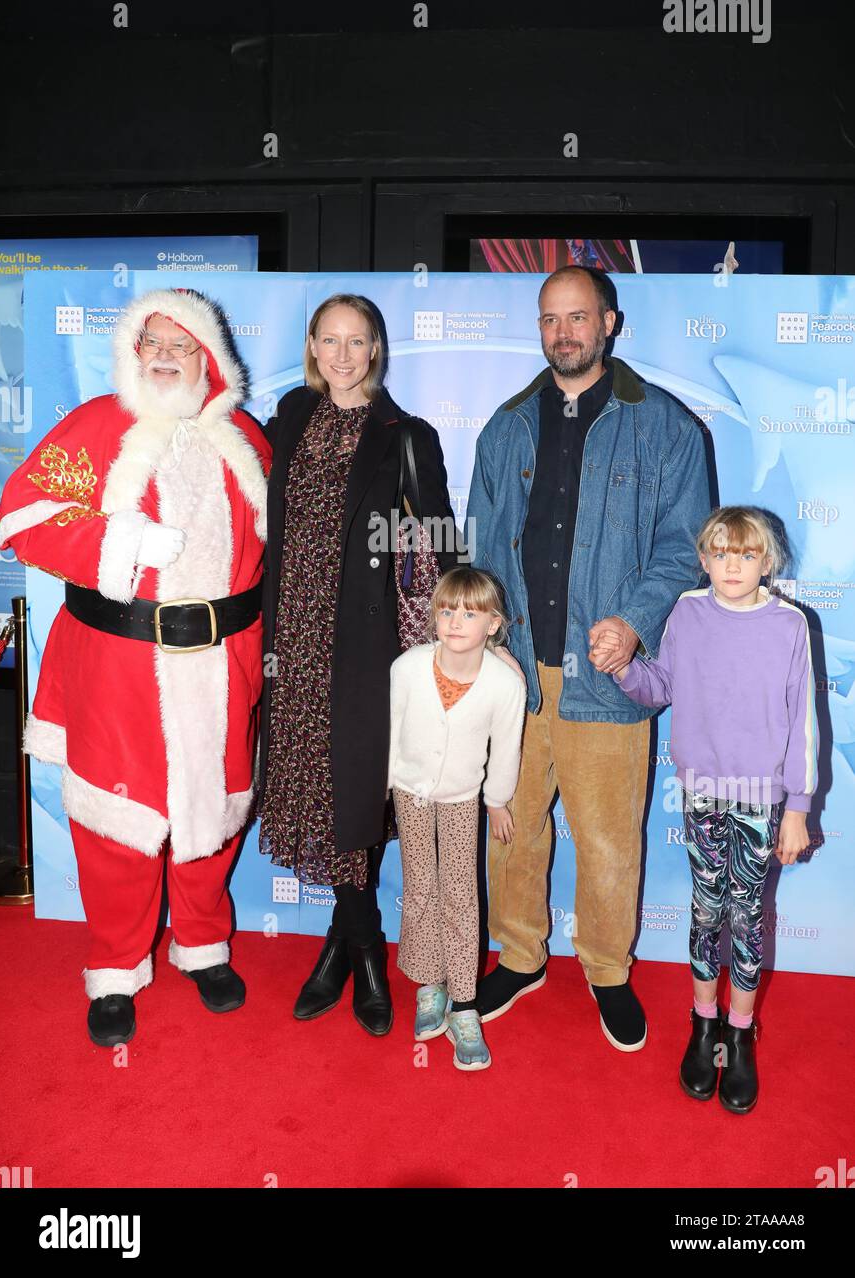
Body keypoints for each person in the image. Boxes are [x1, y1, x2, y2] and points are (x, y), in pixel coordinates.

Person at [0, 288, 271, 1046]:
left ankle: (203, 945)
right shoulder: (96, 428)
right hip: (120, 664)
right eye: (150, 340)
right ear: (130, 350)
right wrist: (116, 542)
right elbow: (19, 518)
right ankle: (115, 966)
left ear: (208, 357)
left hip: (224, 663)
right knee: (118, 823)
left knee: (210, 814)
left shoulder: (245, 440)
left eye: (180, 344)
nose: (162, 355)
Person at [465, 264, 711, 1050]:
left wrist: (636, 623)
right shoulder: (506, 426)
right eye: (548, 320)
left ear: (610, 321)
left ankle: (606, 969)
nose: (562, 332)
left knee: (608, 835)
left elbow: (686, 550)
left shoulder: (667, 425)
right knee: (512, 826)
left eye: (577, 317)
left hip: (606, 670)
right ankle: (520, 955)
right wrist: (485, 641)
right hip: (516, 664)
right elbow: (477, 544)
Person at [257, 293, 460, 1036]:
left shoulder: (406, 434)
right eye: (329, 340)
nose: (342, 356)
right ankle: (355, 942)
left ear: (376, 349)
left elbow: (440, 546)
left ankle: (359, 950)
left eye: (357, 341)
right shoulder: (290, 417)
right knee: (318, 782)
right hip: (294, 634)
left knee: (355, 790)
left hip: (366, 641)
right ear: (312, 345)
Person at [593, 506, 816, 1111]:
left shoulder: (790, 624)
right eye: (720, 553)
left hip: (760, 798)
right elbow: (661, 686)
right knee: (705, 907)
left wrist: (797, 807)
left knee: (746, 915)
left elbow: (803, 722)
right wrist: (623, 668)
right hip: (701, 792)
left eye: (746, 555)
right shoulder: (686, 613)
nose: (732, 566)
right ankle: (703, 1024)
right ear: (703, 559)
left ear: (766, 562)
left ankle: (739, 1036)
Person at [388, 567, 526, 1070]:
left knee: (461, 894)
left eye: (469, 613)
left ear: (493, 624)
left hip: (464, 798)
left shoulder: (504, 683)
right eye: (446, 610)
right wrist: (384, 786)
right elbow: (391, 729)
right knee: (421, 884)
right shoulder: (407, 667)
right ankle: (430, 983)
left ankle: (464, 1001)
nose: (454, 621)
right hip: (412, 794)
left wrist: (498, 800)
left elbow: (506, 748)